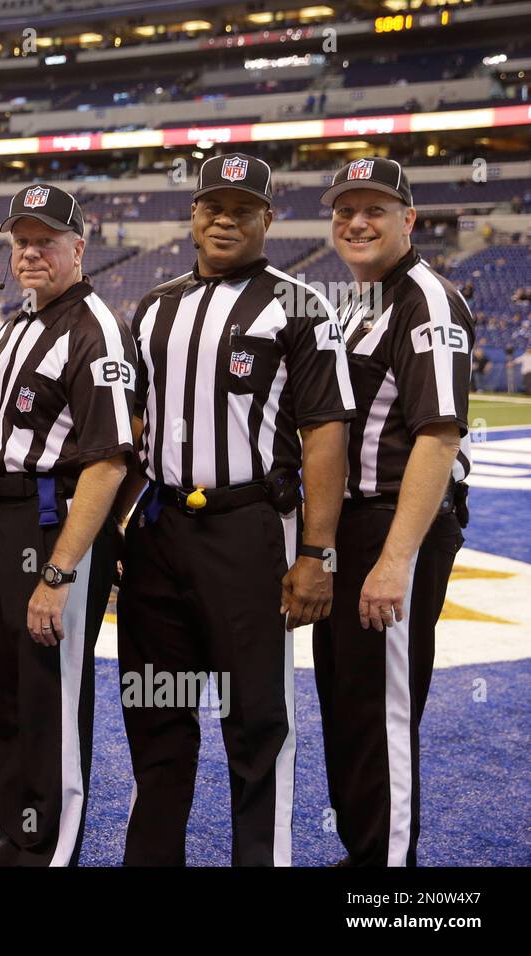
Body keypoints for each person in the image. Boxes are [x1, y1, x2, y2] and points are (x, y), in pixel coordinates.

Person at [112, 153, 355, 866]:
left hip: (249, 531)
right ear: (192, 214)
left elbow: (326, 435)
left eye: (242, 209)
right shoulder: (155, 304)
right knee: (156, 713)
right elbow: (135, 434)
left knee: (254, 724)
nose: (225, 218)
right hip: (160, 531)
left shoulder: (302, 304)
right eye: (213, 205)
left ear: (268, 219)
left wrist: (316, 554)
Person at [0, 183, 135, 867]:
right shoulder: (23, 324)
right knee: (3, 688)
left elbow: (110, 463)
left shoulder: (95, 330)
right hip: (3, 516)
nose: (30, 253)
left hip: (54, 523)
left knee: (51, 695)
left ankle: (51, 853)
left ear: (78, 248)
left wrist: (61, 571)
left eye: (46, 241)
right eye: (21, 241)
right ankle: (18, 836)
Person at [316, 158, 472, 866]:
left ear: (409, 219)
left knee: (381, 712)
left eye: (375, 209)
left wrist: (394, 559)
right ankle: (364, 853)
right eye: (346, 210)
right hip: (350, 526)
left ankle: (389, 880)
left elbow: (439, 437)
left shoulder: (425, 300)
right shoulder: (360, 301)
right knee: (348, 703)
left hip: (392, 524)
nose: (357, 222)